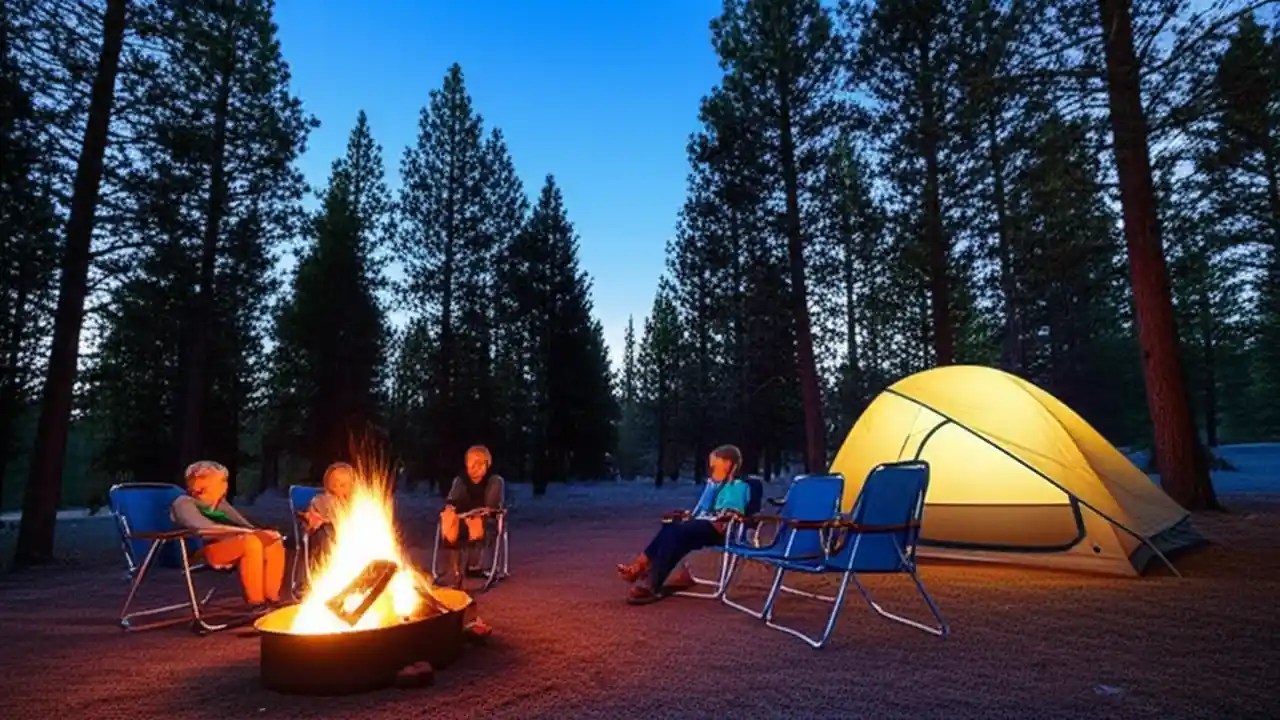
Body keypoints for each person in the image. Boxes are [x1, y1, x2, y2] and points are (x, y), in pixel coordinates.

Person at [616, 445, 748, 605]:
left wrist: (722, 512)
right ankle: (639, 569)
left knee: (677, 533)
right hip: (703, 525)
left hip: (719, 530)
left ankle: (650, 581)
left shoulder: (739, 486)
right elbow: (702, 509)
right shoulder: (714, 485)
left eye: (715, 465)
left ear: (728, 464)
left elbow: (733, 512)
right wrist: (694, 508)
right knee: (671, 529)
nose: (711, 469)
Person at [170, 460, 286, 612]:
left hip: (229, 546)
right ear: (200, 485)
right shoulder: (183, 503)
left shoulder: (219, 505)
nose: (225, 486)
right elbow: (203, 529)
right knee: (250, 542)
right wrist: (249, 533)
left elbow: (246, 527)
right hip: (199, 552)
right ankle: (256, 603)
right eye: (220, 481)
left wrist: (262, 533)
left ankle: (272, 598)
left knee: (272, 541)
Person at [439, 445, 505, 584]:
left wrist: (486, 512)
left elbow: (493, 507)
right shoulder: (460, 481)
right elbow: (452, 502)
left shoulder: (494, 481)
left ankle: (476, 565)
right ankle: (455, 570)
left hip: (485, 519)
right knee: (450, 521)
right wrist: (451, 509)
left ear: (486, 465)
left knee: (481, 523)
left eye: (479, 462)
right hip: (462, 518)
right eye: (470, 462)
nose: (474, 466)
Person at [301, 461, 355, 567]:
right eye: (335, 485)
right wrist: (314, 520)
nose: (338, 488)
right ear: (329, 485)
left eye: (343, 485)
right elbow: (310, 522)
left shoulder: (358, 503)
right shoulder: (321, 502)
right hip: (328, 544)